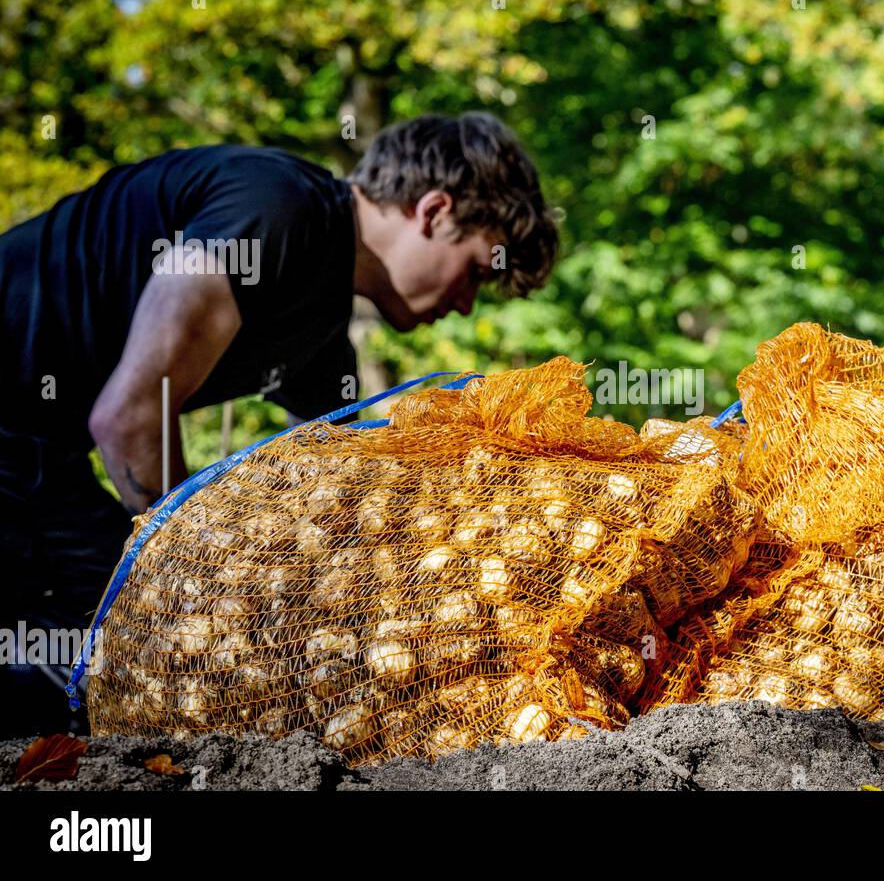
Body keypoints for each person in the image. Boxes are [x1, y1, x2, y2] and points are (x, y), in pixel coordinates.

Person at [0, 112, 558, 736]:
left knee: (110, 670)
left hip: (36, 453)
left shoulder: (319, 331)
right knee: (112, 663)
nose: (464, 305)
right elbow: (130, 419)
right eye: (477, 273)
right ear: (432, 211)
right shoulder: (279, 209)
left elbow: (347, 503)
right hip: (14, 447)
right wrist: (201, 587)